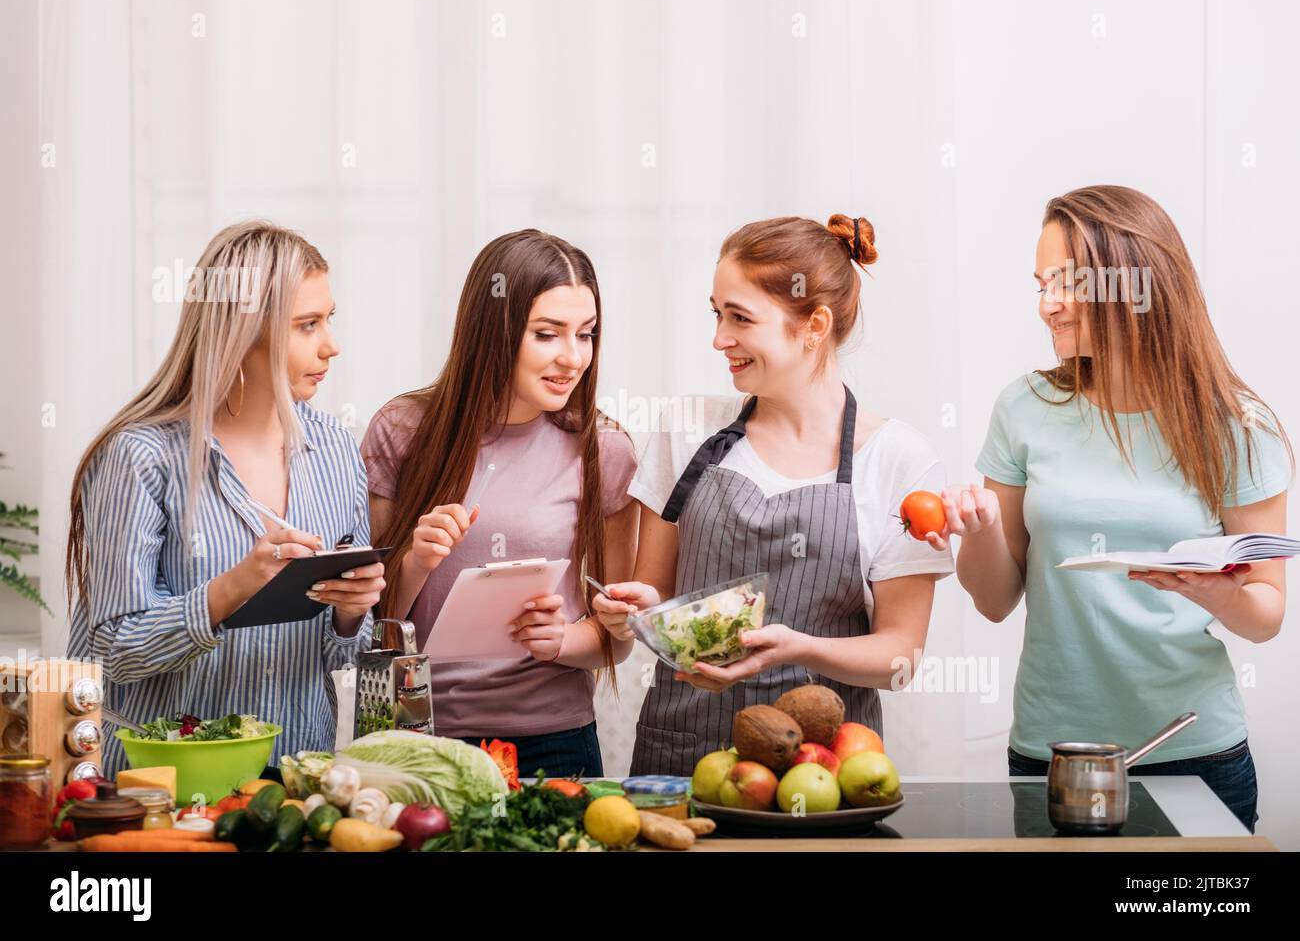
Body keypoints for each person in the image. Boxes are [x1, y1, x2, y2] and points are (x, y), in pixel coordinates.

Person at [933, 185, 1291, 832]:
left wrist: (1211, 589)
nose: (1048, 305)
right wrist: (981, 533)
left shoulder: (1238, 424)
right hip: (1054, 755)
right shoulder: (1024, 408)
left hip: (1193, 752)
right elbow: (992, 600)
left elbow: (1266, 614)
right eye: (1041, 284)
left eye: (1065, 282)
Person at [593, 214, 954, 776]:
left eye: (740, 318)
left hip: (823, 768)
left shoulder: (899, 459)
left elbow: (899, 655)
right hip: (682, 756)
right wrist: (630, 612)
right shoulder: (687, 427)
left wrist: (798, 647)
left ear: (814, 324)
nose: (719, 338)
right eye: (717, 313)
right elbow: (657, 594)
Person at [67, 220, 384, 778]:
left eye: (328, 320)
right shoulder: (141, 456)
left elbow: (342, 661)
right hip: (161, 788)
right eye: (307, 325)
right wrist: (231, 590)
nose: (331, 346)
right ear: (242, 333)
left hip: (290, 783)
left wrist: (352, 615)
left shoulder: (335, 449)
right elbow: (113, 649)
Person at [363, 229, 638, 778]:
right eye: (547, 334)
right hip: (417, 735)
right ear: (494, 330)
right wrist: (416, 560)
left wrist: (562, 641)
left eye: (586, 335)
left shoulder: (603, 450)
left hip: (553, 743)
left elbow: (616, 636)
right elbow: (370, 619)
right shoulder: (402, 430)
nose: (573, 357)